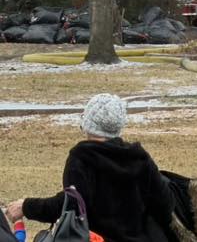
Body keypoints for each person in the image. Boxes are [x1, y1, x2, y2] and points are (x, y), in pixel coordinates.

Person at [3, 94, 175, 242]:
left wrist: (26, 206)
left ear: (87, 121)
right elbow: (166, 207)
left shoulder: (82, 159)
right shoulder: (139, 157)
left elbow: (70, 209)